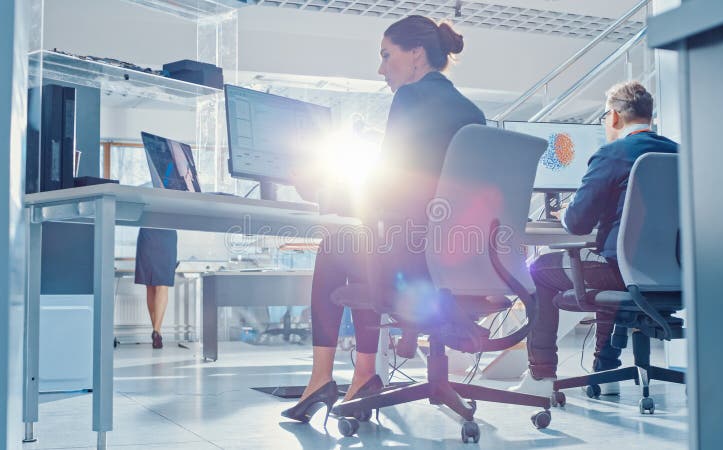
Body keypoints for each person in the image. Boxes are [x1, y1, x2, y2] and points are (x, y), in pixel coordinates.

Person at [282, 15, 485, 423]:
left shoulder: (410, 96)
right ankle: (361, 377)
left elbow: (390, 187)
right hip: (461, 267)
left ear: (416, 54)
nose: (381, 69)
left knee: (335, 245)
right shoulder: (473, 113)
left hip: (416, 264)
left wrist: (321, 191)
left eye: (387, 56)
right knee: (363, 247)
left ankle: (323, 379)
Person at [510, 81, 678, 397]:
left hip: (619, 271)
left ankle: (540, 377)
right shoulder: (679, 154)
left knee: (538, 270)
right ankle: (606, 371)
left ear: (613, 116)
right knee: (609, 262)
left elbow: (577, 222)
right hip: (673, 277)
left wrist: (564, 213)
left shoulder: (612, 154)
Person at [135, 228, 178, 349]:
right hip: (167, 233)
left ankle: (157, 332)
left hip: (148, 233)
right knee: (162, 285)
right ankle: (156, 331)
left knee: (150, 286)